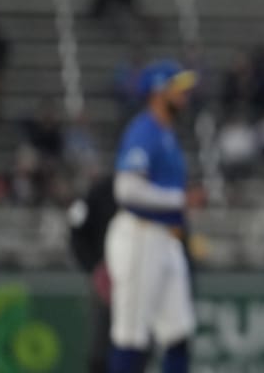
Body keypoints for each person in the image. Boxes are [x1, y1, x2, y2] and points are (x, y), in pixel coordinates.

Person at [106, 61, 198, 373]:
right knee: (131, 337)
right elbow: (126, 189)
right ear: (159, 92)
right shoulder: (144, 130)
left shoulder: (166, 133)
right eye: (177, 89)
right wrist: (180, 199)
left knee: (178, 334)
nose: (184, 96)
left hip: (166, 239)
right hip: (140, 234)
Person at [69, 173, 120, 373]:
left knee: (135, 344)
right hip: (104, 280)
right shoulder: (100, 191)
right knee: (100, 345)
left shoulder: (147, 190)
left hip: (136, 279)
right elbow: (77, 231)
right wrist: (94, 266)